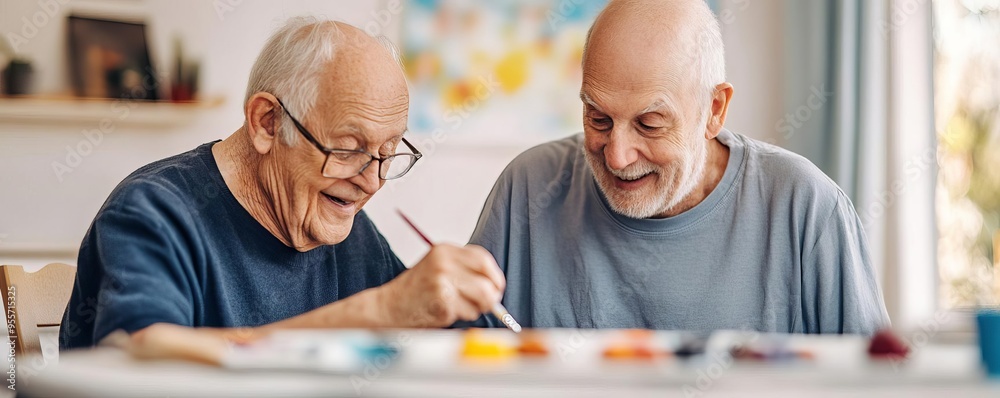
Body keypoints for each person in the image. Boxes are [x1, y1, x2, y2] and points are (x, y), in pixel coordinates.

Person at [60, 18, 506, 350]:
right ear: (267, 123)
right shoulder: (153, 214)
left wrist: (457, 310)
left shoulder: (342, 228)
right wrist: (380, 313)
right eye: (347, 148)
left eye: (389, 153)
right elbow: (144, 365)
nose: (370, 181)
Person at [470, 0, 889, 334]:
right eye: (598, 118)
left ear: (714, 109)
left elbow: (874, 385)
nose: (617, 156)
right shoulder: (527, 189)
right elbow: (455, 368)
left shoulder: (806, 207)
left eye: (649, 124)